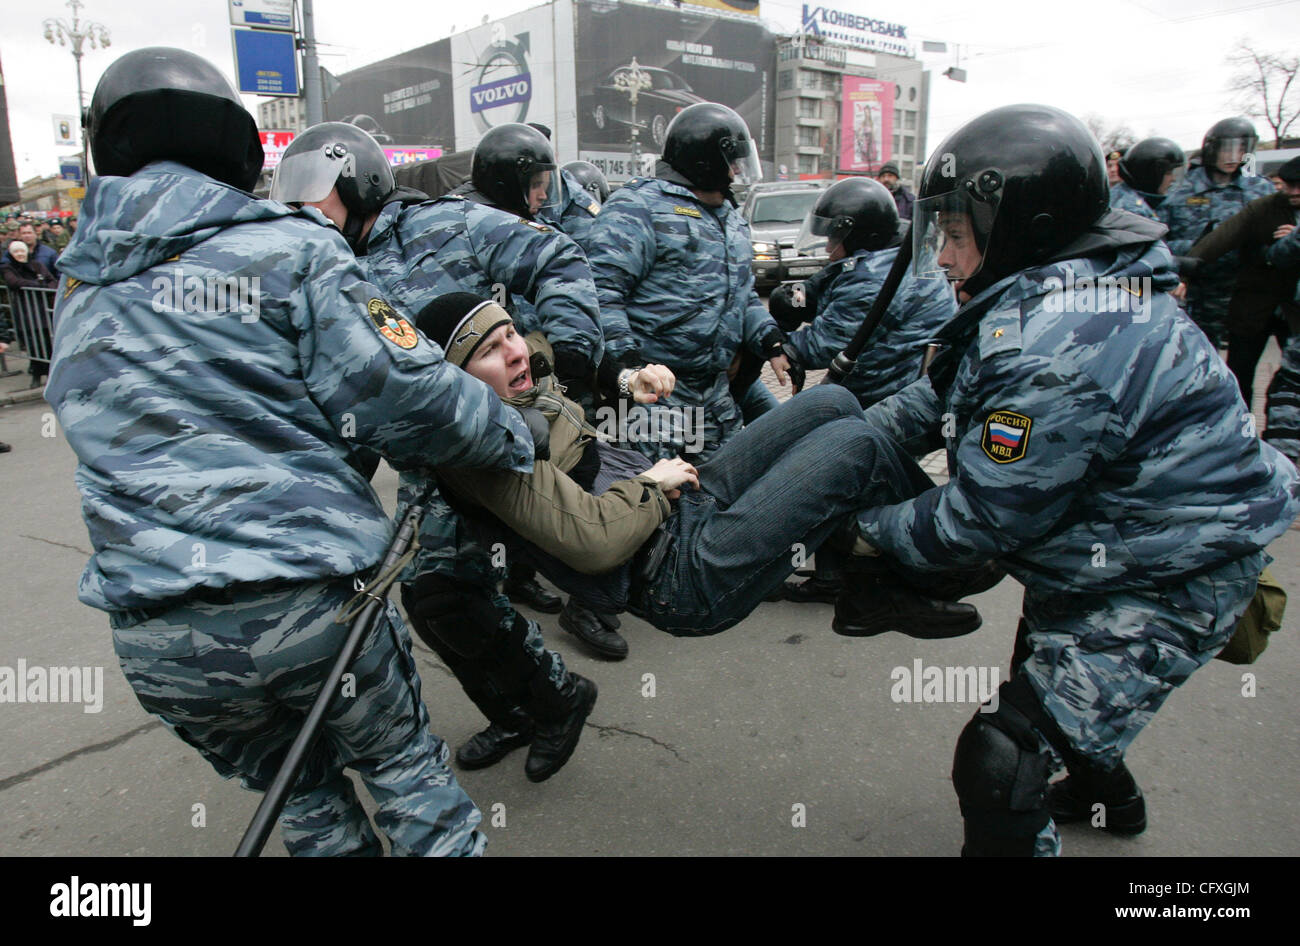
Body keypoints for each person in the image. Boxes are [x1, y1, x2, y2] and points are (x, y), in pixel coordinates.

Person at [45, 47, 543, 857]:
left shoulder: (76, 289)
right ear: (235, 144)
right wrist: (512, 432)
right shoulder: (292, 250)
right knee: (407, 780)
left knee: (308, 806)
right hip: (307, 609)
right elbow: (410, 396)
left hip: (157, 640)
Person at [849, 104, 1300, 856]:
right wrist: (841, 442)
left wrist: (859, 529)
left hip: (1170, 575)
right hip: (1107, 546)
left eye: (957, 237)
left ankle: (1062, 795)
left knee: (1003, 759)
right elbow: (933, 401)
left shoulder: (1058, 342)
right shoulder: (1051, 294)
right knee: (1058, 688)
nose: (942, 259)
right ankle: (1106, 798)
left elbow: (978, 523)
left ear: (1021, 229)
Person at [270, 121, 602, 777]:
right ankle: (525, 705)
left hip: (504, 441)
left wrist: (572, 370)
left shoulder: (452, 224)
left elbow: (559, 260)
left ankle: (557, 695)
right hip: (427, 461)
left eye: (318, 191)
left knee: (445, 589)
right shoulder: (325, 270)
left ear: (359, 181)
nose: (304, 209)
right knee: (437, 598)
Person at [417, 291, 992, 640]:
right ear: (455, 382)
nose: (515, 350)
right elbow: (590, 542)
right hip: (678, 571)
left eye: (509, 332)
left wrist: (624, 378)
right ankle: (955, 556)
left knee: (831, 403)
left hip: (683, 506)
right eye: (490, 349)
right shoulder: (489, 448)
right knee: (853, 449)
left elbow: (554, 355)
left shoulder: (518, 385)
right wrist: (648, 483)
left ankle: (865, 585)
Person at [582, 101, 797, 464]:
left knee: (721, 490)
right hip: (655, 398)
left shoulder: (732, 219)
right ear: (705, 160)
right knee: (655, 501)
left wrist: (772, 342)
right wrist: (633, 368)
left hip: (713, 397)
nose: (737, 170)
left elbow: (741, 299)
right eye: (732, 160)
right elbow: (601, 295)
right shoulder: (638, 208)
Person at [774, 177, 957, 603]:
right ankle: (858, 569)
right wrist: (794, 296)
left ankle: (857, 575)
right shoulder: (900, 253)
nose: (827, 245)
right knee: (858, 479)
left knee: (839, 476)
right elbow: (825, 284)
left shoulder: (873, 276)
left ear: (855, 234)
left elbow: (821, 344)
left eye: (835, 235)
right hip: (909, 390)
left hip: (895, 398)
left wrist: (774, 343)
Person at [1186, 155, 1300, 408]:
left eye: (1297, 186)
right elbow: (1219, 240)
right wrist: (1184, 269)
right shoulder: (1264, 208)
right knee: (1239, 375)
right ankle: (1241, 430)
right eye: (1288, 185)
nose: (1291, 192)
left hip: (1294, 312)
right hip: (1254, 308)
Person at [1159, 117, 1276, 349]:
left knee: (1243, 359)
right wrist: (1192, 249)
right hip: (1195, 292)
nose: (1234, 156)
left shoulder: (1260, 189)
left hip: (1244, 291)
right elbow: (1158, 240)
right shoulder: (1180, 189)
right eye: (1227, 149)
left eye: (1241, 149)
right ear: (1212, 149)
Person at [1110, 137, 1186, 221]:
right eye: (1168, 173)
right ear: (1150, 174)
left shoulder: (1128, 197)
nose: (1173, 179)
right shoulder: (1134, 212)